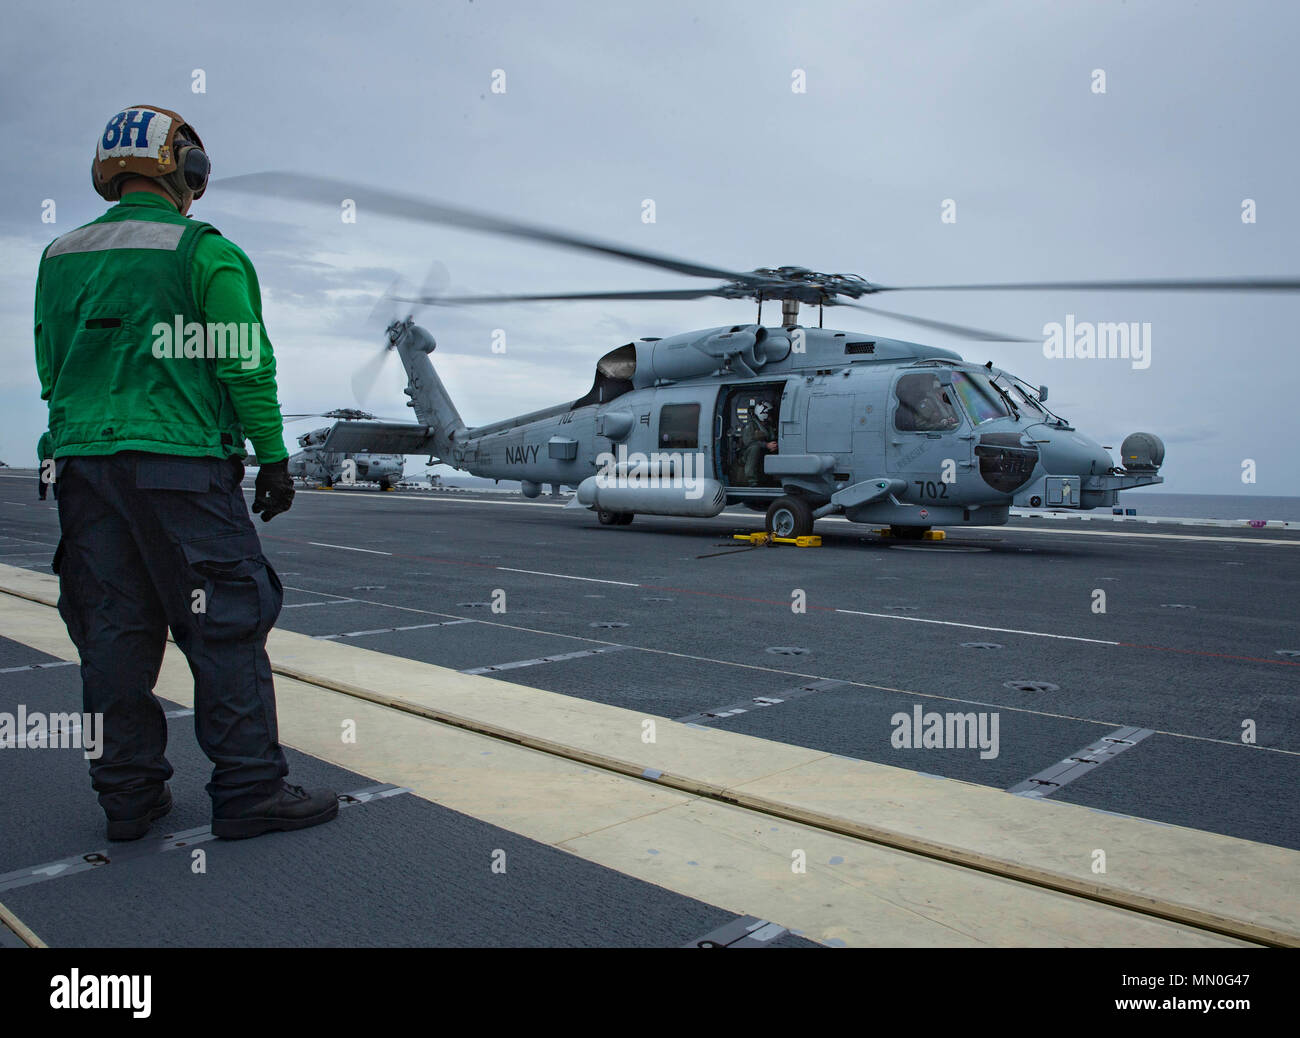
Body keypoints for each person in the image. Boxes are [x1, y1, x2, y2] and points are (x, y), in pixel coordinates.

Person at [35, 104, 337, 841]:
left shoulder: (59, 255)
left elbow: (53, 366)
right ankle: (249, 790)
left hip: (83, 468)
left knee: (111, 632)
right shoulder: (204, 251)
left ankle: (127, 798)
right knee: (224, 623)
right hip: (182, 469)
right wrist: (273, 456)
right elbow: (245, 363)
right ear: (187, 170)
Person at [741, 400, 778, 485]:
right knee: (755, 448)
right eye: (769, 414)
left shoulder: (768, 426)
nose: (771, 416)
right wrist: (766, 445)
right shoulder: (751, 426)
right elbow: (748, 443)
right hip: (746, 455)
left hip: (762, 452)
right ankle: (751, 480)